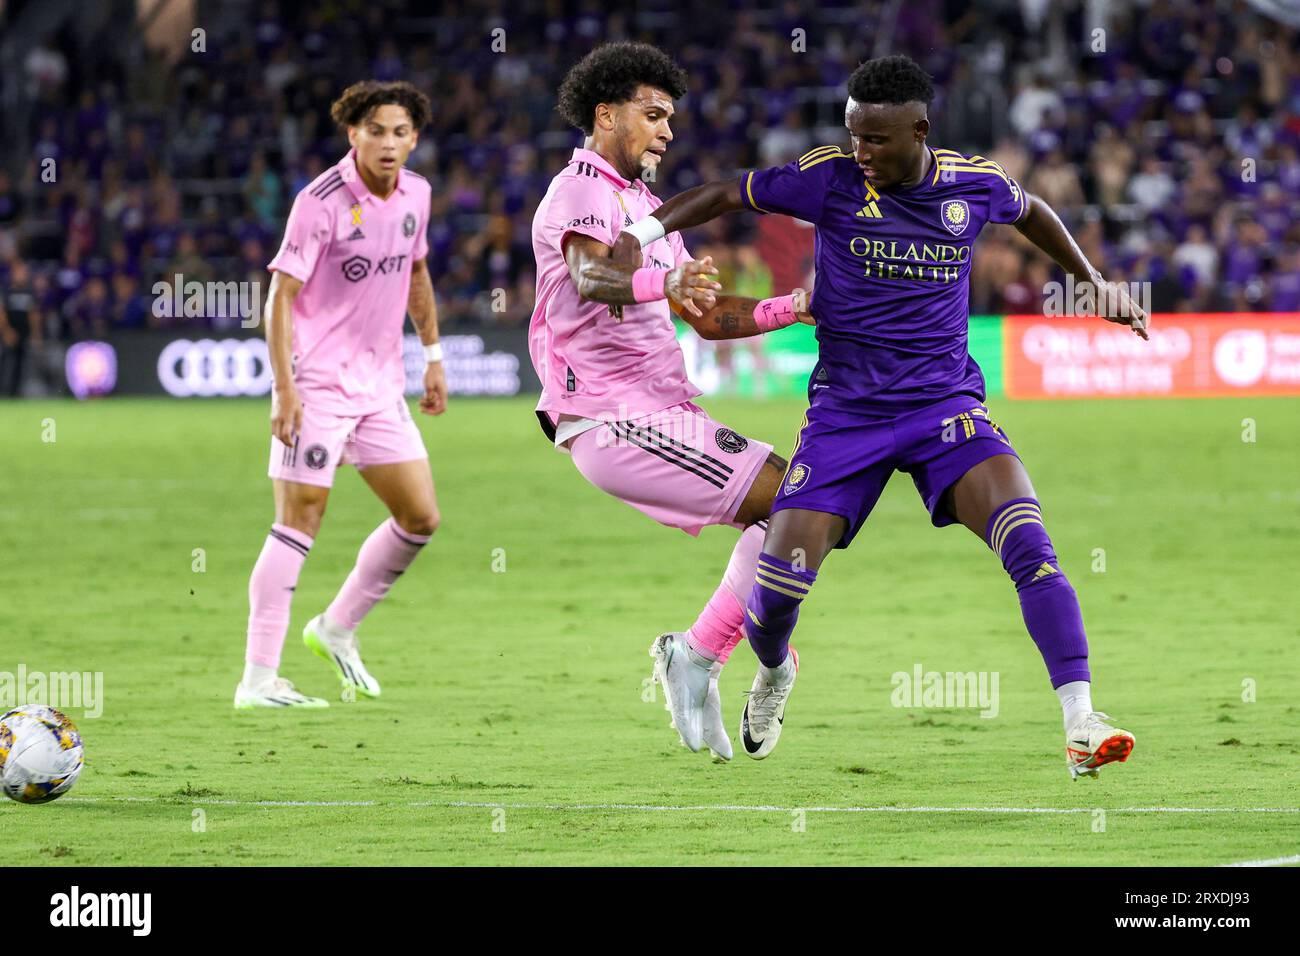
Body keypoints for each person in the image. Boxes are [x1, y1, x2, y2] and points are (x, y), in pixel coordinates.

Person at [617, 55, 1147, 777]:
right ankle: (772, 673)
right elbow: (721, 195)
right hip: (847, 416)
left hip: (944, 407)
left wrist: (1095, 285)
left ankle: (1082, 720)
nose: (860, 152)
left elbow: (1035, 214)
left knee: (1029, 540)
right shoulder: (828, 177)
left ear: (919, 130)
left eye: (876, 139)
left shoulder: (973, 184)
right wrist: (637, 239)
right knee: (774, 598)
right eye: (853, 134)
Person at [531, 43, 811, 760]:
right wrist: (665, 285)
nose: (665, 132)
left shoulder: (652, 211)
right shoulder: (580, 191)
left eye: (670, 120)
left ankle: (698, 653)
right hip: (612, 417)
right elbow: (591, 278)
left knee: (800, 509)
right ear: (606, 114)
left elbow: (709, 316)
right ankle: (706, 655)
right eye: (652, 115)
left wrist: (793, 307)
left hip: (661, 410)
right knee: (792, 502)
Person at [234, 80, 446, 709]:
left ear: (414, 138)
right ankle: (257, 680)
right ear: (352, 132)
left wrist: (432, 355)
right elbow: (281, 298)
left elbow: (416, 271)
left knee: (420, 517)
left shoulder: (418, 195)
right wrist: (285, 388)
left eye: (400, 131)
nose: (388, 142)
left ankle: (336, 627)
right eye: (375, 130)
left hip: (381, 387)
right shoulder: (319, 201)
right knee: (299, 520)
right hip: (318, 384)